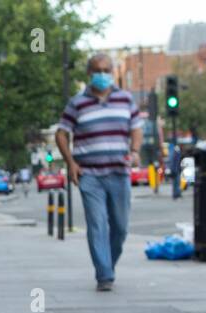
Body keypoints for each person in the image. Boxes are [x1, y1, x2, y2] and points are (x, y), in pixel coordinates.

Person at [54, 53, 143, 291]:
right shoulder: (77, 103)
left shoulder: (125, 99)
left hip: (118, 172)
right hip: (89, 175)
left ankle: (108, 265)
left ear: (112, 72)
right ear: (89, 74)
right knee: (97, 225)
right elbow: (61, 133)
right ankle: (104, 275)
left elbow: (136, 128)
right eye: (97, 70)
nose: (102, 75)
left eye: (106, 70)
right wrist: (71, 163)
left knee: (120, 227)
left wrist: (134, 151)